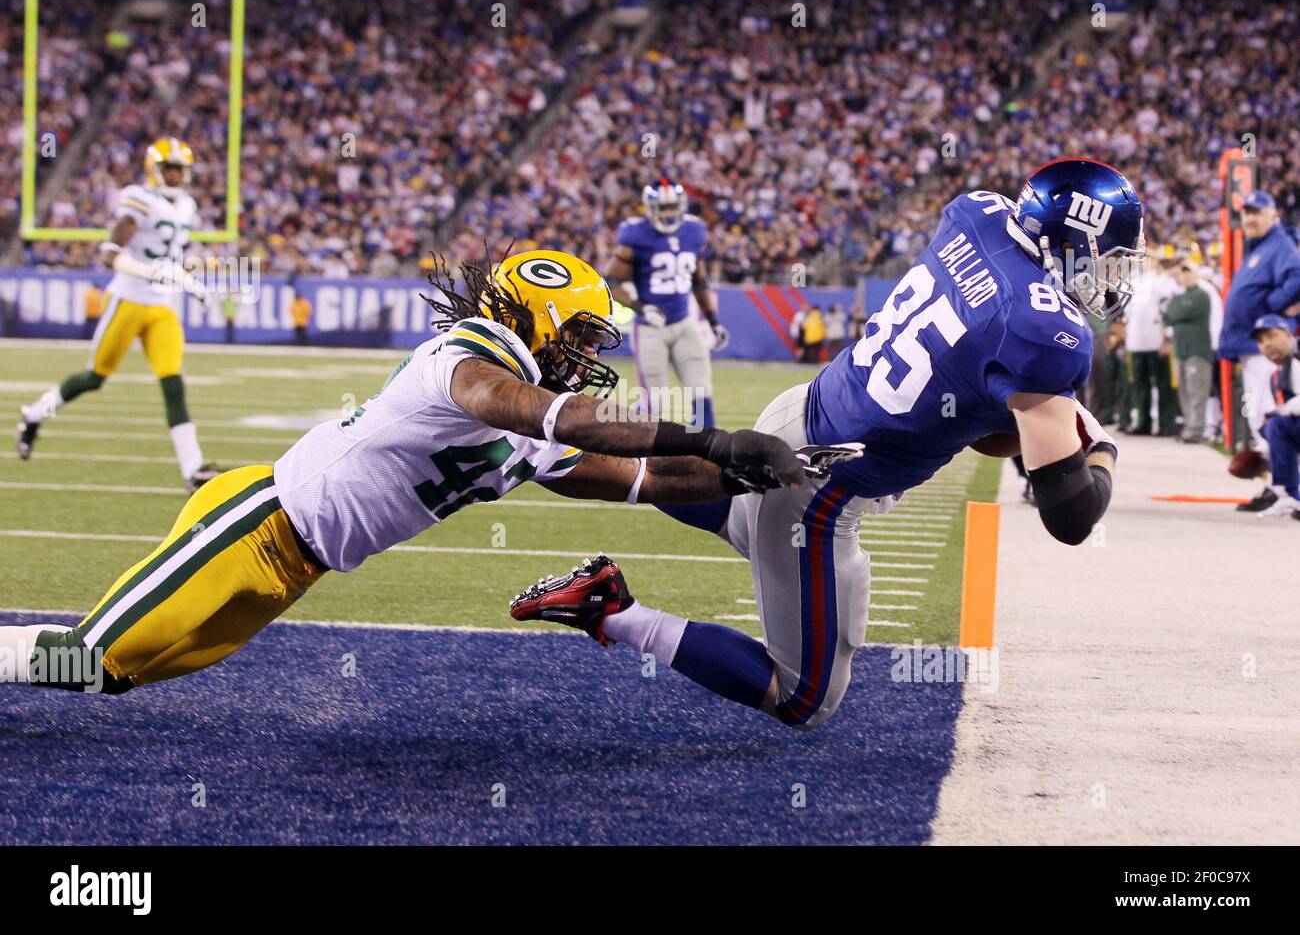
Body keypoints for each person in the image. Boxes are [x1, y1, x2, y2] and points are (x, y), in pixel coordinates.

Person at [0, 251, 805, 697]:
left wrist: (754, 474)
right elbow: (540, 414)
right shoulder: (467, 362)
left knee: (110, 676)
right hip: (253, 524)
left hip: (298, 570)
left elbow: (643, 481)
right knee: (81, 654)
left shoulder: (533, 412)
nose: (594, 357)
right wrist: (715, 437)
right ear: (537, 320)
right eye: (586, 336)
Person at [514, 158, 1140, 731]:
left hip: (798, 410)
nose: (1111, 275)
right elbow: (1071, 517)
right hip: (822, 486)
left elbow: (985, 427)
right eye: (1106, 257)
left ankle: (538, 444)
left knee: (746, 521)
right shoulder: (1045, 331)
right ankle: (613, 609)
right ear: (1069, 245)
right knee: (803, 698)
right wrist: (1102, 448)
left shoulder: (977, 213)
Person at [15, 138, 219, 491]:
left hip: (162, 306)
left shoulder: (187, 204)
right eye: (168, 168)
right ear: (154, 169)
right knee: (94, 377)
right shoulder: (139, 197)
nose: (174, 175)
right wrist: (150, 272)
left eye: (179, 169)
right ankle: (34, 415)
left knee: (173, 383)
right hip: (128, 298)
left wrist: (189, 280)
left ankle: (193, 469)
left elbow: (170, 258)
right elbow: (111, 254)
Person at [605, 179, 728, 428]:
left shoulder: (694, 231)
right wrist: (642, 308)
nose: (670, 213)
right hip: (651, 328)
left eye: (674, 206)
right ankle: (626, 442)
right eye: (665, 207)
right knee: (655, 402)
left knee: (701, 390)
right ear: (650, 207)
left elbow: (700, 281)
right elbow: (611, 282)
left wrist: (714, 322)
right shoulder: (635, 234)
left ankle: (707, 455)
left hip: (685, 323)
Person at [1217, 191, 1300, 512]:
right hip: (1248, 346)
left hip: (1263, 347)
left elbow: (1296, 278)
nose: (1249, 218)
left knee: (1267, 415)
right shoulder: (1260, 249)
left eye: (1256, 212)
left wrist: (1269, 312)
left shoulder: (1279, 245)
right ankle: (1275, 485)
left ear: (1273, 215)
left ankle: (1283, 488)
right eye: (1246, 212)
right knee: (1258, 416)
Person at [1248, 314, 1300, 518]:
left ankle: (1289, 494)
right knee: (1270, 428)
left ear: (1288, 334)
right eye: (1261, 341)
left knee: (1277, 425)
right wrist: (1261, 453)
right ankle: (1288, 495)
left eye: (1271, 336)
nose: (1266, 345)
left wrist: (1281, 412)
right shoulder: (1277, 373)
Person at [1122, 255, 1178, 436]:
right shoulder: (1130, 282)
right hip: (1136, 341)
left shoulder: (1164, 283)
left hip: (1157, 341)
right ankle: (1142, 422)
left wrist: (1168, 337)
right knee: (1139, 385)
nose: (1144, 263)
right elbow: (1126, 313)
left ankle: (1166, 423)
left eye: (1147, 259)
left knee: (1163, 385)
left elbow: (1169, 310)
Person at [1162, 257, 1214, 442]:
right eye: (1183, 272)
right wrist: (1173, 314)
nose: (1185, 276)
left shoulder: (1202, 294)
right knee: (1183, 390)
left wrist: (1174, 314)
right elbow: (1168, 317)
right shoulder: (1178, 295)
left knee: (1196, 391)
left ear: (1196, 274)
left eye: (1188, 272)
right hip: (1181, 349)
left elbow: (1175, 314)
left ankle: (1196, 429)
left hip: (1197, 350)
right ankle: (1189, 427)